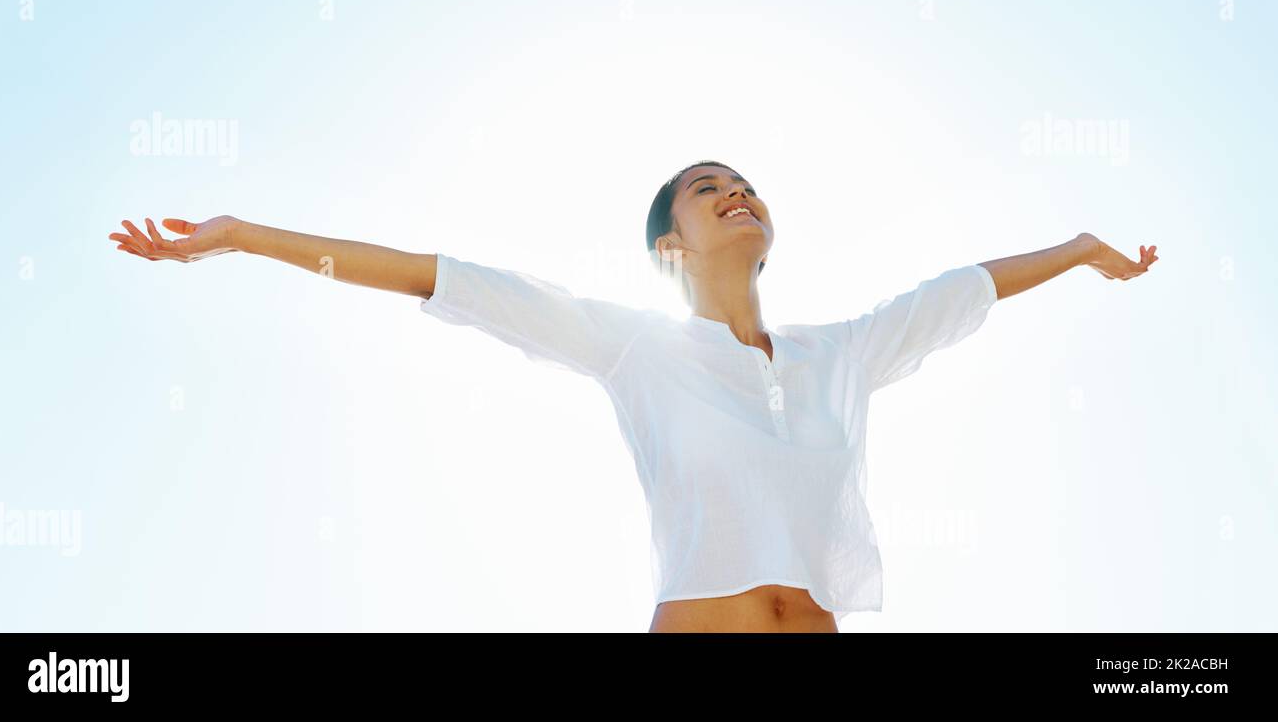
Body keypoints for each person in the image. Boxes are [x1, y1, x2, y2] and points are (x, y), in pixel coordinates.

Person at [108, 160, 1159, 632]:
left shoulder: (841, 353)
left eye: (742, 180)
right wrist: (245, 236)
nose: (735, 189)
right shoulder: (634, 348)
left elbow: (962, 290)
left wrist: (1075, 250)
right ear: (672, 243)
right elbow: (431, 274)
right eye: (707, 188)